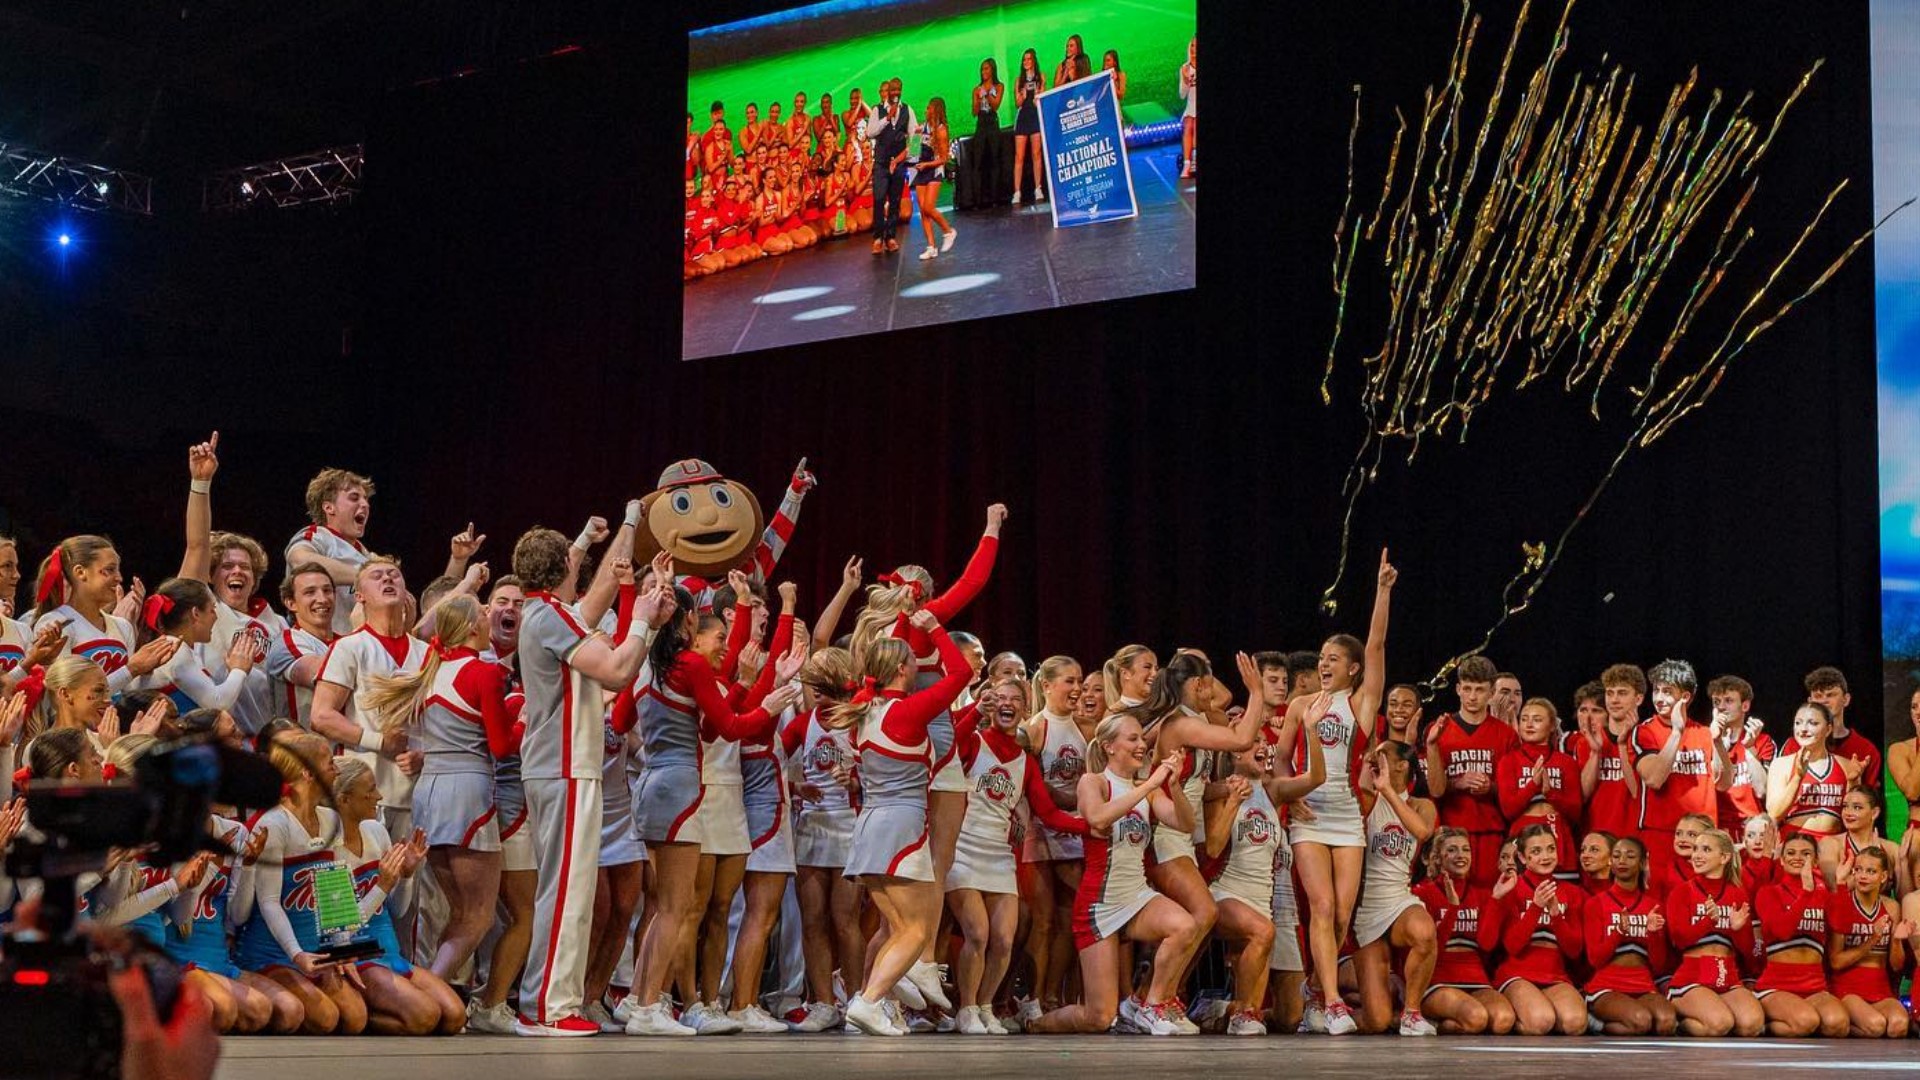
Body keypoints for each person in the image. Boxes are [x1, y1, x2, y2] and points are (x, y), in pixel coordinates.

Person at [510, 529, 664, 1036]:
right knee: (567, 890)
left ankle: (551, 999)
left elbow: (605, 631)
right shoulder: (550, 616)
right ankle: (547, 1006)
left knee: (569, 888)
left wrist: (647, 617)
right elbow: (618, 672)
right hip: (563, 764)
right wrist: (640, 618)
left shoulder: (551, 614)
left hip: (564, 765)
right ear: (567, 570)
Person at [362, 594, 517, 983]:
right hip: (467, 794)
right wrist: (524, 718)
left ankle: (432, 987)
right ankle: (429, 990)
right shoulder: (484, 673)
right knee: (478, 915)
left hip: (429, 793)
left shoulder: (430, 673)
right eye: (483, 613)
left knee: (459, 913)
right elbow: (501, 746)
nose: (489, 617)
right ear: (470, 628)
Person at [834, 610, 972, 1036]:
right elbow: (962, 672)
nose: (920, 667)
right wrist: (934, 629)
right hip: (901, 831)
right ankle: (870, 1000)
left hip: (869, 830)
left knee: (898, 927)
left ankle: (872, 995)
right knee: (914, 929)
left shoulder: (863, 715)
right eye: (914, 661)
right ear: (899, 668)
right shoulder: (908, 712)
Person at [1027, 713, 1199, 1035]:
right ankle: (1036, 1024)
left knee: (1185, 925)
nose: (1141, 746)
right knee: (1099, 1017)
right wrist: (1149, 783)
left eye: (1141, 739)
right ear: (1109, 747)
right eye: (1132, 739)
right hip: (1099, 903)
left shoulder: (1146, 792)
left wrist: (1173, 787)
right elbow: (1097, 818)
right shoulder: (1094, 782)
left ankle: (1149, 1004)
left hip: (1136, 895)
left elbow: (1185, 824)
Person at [1284, 549, 1395, 1035]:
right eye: (1322, 657)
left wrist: (1383, 590)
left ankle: (1314, 989)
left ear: (1352, 670)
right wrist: (1291, 794)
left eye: (1334, 659)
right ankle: (1330, 1002)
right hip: (1308, 818)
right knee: (1322, 907)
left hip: (1348, 817)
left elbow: (1376, 644)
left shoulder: (1362, 704)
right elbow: (1284, 759)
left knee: (1343, 914)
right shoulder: (1300, 704)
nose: (1325, 663)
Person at [946, 677, 1086, 1034]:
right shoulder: (974, 742)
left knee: (1005, 940)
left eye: (1015, 699)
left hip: (998, 857)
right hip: (961, 851)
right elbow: (950, 740)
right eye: (1000, 698)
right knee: (978, 934)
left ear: (1025, 709)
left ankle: (984, 1005)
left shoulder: (1025, 762)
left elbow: (1049, 814)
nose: (1007, 704)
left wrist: (1093, 825)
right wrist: (976, 708)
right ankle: (965, 1008)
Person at [1204, 707, 1325, 1035]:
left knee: (1288, 1018)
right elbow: (1213, 847)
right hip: (1226, 892)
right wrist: (1231, 800)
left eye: (1263, 740)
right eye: (1252, 741)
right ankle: (1243, 1013)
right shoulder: (1218, 790)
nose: (1262, 746)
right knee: (1261, 931)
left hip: (1265, 904)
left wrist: (1310, 728)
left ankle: (1219, 1009)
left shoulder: (1271, 791)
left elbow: (1315, 779)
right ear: (1234, 751)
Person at [330, 757, 465, 1035]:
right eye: (370, 790)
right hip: (355, 954)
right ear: (344, 799)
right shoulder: (329, 846)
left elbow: (397, 910)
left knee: (454, 1016)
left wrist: (405, 876)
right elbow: (339, 932)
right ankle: (360, 1018)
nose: (379, 796)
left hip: (388, 949)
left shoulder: (376, 831)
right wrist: (382, 886)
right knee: (425, 1017)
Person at [1351, 740, 1439, 1036]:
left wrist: (1388, 789)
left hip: (1399, 898)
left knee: (1424, 932)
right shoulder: (1367, 799)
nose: (1376, 756)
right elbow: (1363, 787)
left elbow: (1423, 831)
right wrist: (1376, 781)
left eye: (1383, 753)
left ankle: (1412, 1013)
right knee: (1376, 1022)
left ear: (1402, 765)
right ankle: (1338, 1005)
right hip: (1366, 907)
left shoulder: (1421, 805)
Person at [1634, 659, 1731, 884]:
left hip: (1704, 839)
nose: (1659, 698)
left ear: (1685, 697)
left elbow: (1723, 784)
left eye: (1667, 692)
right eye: (1656, 690)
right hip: (1661, 837)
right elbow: (1654, 779)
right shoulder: (1644, 732)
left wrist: (1718, 743)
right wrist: (1676, 733)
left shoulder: (1705, 732)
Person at [1484, 823, 1586, 1035]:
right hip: (1518, 973)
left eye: (1551, 849)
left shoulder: (1572, 892)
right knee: (1541, 1021)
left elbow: (1574, 950)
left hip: (1555, 975)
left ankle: (1536, 1010)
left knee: (1575, 1023)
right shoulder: (1512, 888)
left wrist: (1556, 915)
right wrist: (1536, 908)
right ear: (1522, 858)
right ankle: (1514, 1016)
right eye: (1536, 851)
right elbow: (1512, 946)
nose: (1545, 856)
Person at [1414, 828, 1517, 1035]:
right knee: (1476, 1018)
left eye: (1465, 850)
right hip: (1437, 978)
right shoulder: (1422, 893)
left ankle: (1444, 1022)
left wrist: (1495, 900)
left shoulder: (1481, 894)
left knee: (1503, 1020)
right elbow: (1433, 948)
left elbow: (1486, 944)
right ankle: (1428, 1019)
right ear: (1438, 858)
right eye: (1452, 850)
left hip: (1475, 978)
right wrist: (1452, 909)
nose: (1461, 855)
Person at [1426, 655, 1515, 887]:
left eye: (1480, 689)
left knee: (1488, 898)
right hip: (1450, 830)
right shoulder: (1439, 730)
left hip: (1491, 831)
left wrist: (1491, 787)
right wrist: (1457, 782)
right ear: (1457, 689)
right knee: (1451, 901)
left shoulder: (1506, 735)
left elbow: (1514, 793)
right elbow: (1435, 790)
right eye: (1467, 688)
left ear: (1492, 691)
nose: (1473, 696)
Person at [1664, 828, 1763, 1037]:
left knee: (1751, 1025)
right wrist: (1709, 921)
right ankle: (1678, 1020)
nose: (1697, 855)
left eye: (1706, 849)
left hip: (1728, 976)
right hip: (1692, 977)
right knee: (1720, 1023)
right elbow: (1679, 940)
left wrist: (1737, 930)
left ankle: (1706, 1014)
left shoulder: (1737, 893)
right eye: (1696, 849)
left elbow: (1747, 951)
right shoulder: (1681, 892)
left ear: (1725, 857)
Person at [1581, 835, 1678, 1035]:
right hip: (1606, 985)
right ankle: (1592, 1023)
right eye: (1616, 856)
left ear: (1643, 862)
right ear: (1610, 861)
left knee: (1666, 1022)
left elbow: (1658, 964)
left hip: (1642, 983)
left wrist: (1652, 934)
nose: (1622, 861)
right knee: (1641, 1021)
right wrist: (1618, 932)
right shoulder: (1596, 904)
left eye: (1630, 856)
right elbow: (1594, 960)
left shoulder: (1653, 906)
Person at [1754, 833, 1850, 1038]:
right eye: (1790, 853)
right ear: (1781, 859)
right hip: (1777, 985)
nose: (1797, 857)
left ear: (1815, 860)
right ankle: (1763, 1022)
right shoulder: (1768, 893)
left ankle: (1794, 1017)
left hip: (1814, 985)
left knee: (1838, 1024)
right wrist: (1805, 893)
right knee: (1807, 1022)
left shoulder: (1822, 893)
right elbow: (1782, 931)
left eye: (1806, 853)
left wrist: (1840, 884)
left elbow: (1841, 925)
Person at [1827, 846, 1911, 1037]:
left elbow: (1896, 966)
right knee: (1876, 1026)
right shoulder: (1843, 903)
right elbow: (1836, 961)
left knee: (1898, 1026)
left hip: (1880, 987)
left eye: (1871, 871)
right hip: (1848, 989)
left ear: (1883, 877)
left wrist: (1897, 940)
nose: (1862, 876)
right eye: (1858, 870)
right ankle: (1834, 1025)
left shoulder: (1891, 907)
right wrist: (1873, 939)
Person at [1496, 698, 1582, 880]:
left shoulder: (1566, 762)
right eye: (1524, 718)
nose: (1529, 724)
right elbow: (1508, 811)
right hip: (1522, 834)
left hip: (1559, 833)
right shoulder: (1509, 761)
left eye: (1537, 719)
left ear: (1552, 725)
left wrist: (1550, 792)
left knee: (1563, 899)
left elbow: (1575, 813)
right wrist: (1533, 785)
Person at [284, 468, 373, 635]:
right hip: (316, 642)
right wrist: (364, 578)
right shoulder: (319, 536)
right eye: (354, 498)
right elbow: (300, 560)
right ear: (329, 507)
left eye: (366, 499)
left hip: (351, 642)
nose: (365, 504)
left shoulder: (365, 553)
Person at [1766, 701, 1852, 842]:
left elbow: (1855, 813)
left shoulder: (1845, 765)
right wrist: (1798, 777)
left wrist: (1854, 781)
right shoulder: (1781, 764)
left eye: (1813, 723)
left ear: (1828, 729)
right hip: (1795, 843)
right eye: (1798, 723)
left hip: (1834, 844)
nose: (1803, 729)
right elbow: (1774, 813)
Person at [1804, 666, 1881, 788]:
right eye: (1818, 696)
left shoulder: (1866, 750)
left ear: (1846, 699)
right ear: (1809, 702)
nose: (1824, 701)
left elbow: (1870, 801)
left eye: (1830, 695)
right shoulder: (1794, 746)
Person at [864, 78, 915, 255]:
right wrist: (887, 118)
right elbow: (870, 133)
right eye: (892, 89)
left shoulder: (907, 110)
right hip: (881, 164)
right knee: (878, 199)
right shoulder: (877, 111)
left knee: (895, 201)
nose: (895, 93)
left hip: (899, 163)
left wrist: (903, 156)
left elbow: (913, 138)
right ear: (887, 91)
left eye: (898, 89)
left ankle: (891, 237)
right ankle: (878, 237)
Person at [912, 97, 957, 260]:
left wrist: (927, 165)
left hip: (934, 169)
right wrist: (915, 138)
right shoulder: (923, 127)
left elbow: (944, 158)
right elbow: (914, 150)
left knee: (929, 207)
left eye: (929, 108)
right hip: (921, 169)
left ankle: (948, 231)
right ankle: (931, 246)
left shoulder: (940, 130)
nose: (926, 110)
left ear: (935, 110)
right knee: (923, 210)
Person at [1010, 50, 1046, 204]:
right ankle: (1017, 192)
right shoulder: (1019, 80)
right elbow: (1017, 103)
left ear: (1033, 61)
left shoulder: (1041, 76)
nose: (1026, 62)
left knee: (1036, 154)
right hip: (1023, 117)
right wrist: (1022, 97)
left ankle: (1038, 188)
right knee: (1019, 156)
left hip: (1035, 116)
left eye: (1028, 59)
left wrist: (1038, 95)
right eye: (1024, 59)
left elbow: (1042, 96)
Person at [970, 59, 1005, 206]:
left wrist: (988, 94)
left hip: (992, 123)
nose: (984, 72)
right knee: (978, 162)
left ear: (992, 70)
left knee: (994, 161)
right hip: (981, 124)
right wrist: (978, 98)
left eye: (986, 69)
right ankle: (978, 199)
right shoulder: (976, 89)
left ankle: (995, 198)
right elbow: (974, 112)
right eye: (982, 69)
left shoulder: (999, 86)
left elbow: (996, 105)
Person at [1178, 38, 1197, 178]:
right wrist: (1185, 80)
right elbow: (1182, 95)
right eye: (1192, 46)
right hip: (1191, 109)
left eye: (1196, 46)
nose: (1193, 49)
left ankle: (1194, 158)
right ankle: (1187, 164)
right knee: (1189, 122)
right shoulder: (1185, 68)